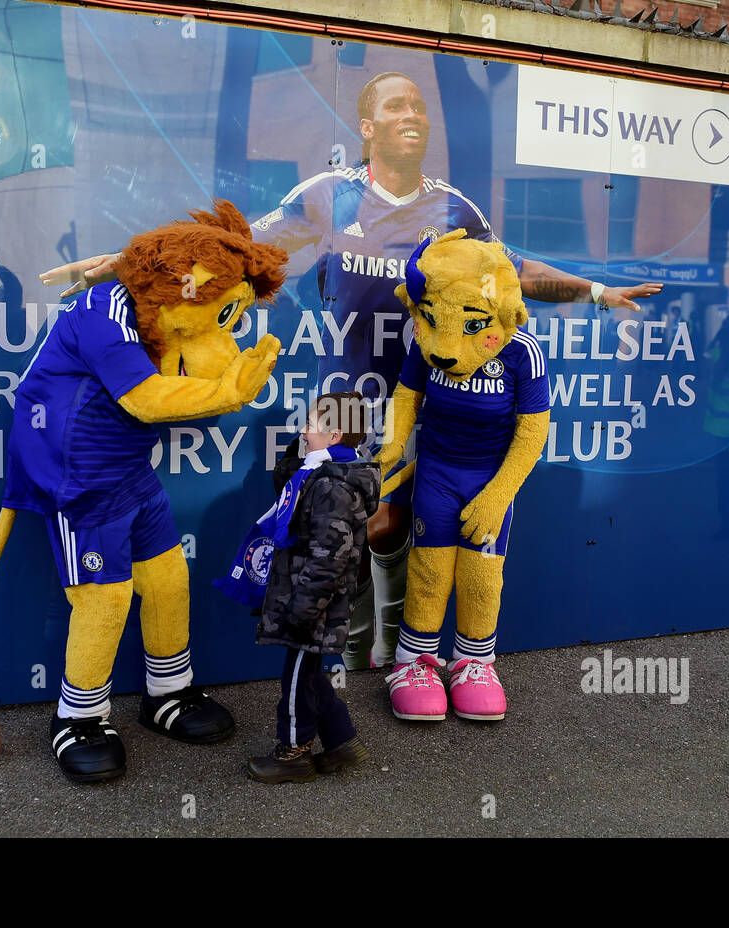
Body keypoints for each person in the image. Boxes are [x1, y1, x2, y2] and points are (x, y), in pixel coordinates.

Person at [41, 70, 663, 670]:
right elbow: (243, 253)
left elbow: (512, 272)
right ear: (367, 126)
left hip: (432, 388)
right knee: (339, 521)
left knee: (413, 517)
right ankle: (332, 657)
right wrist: (132, 261)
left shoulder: (454, 209)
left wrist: (595, 291)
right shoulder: (329, 193)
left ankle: (399, 653)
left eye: (418, 106)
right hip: (345, 392)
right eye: (396, 107)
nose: (411, 116)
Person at [247, 392, 380, 783]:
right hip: (308, 597)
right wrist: (302, 448)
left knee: (296, 679)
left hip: (316, 604)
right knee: (309, 673)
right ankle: (341, 742)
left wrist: (303, 611)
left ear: (335, 434)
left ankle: (294, 752)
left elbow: (329, 560)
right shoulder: (316, 473)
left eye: (311, 426)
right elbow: (284, 482)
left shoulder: (332, 488)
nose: (303, 431)